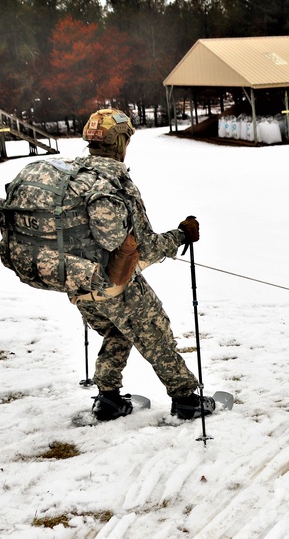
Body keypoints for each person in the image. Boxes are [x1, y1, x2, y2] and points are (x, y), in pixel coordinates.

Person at [69, 108, 215, 421]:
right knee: (155, 333)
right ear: (119, 142)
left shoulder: (72, 178)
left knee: (117, 333)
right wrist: (181, 235)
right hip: (115, 284)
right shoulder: (117, 184)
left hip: (77, 284)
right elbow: (146, 246)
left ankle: (108, 399)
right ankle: (186, 399)